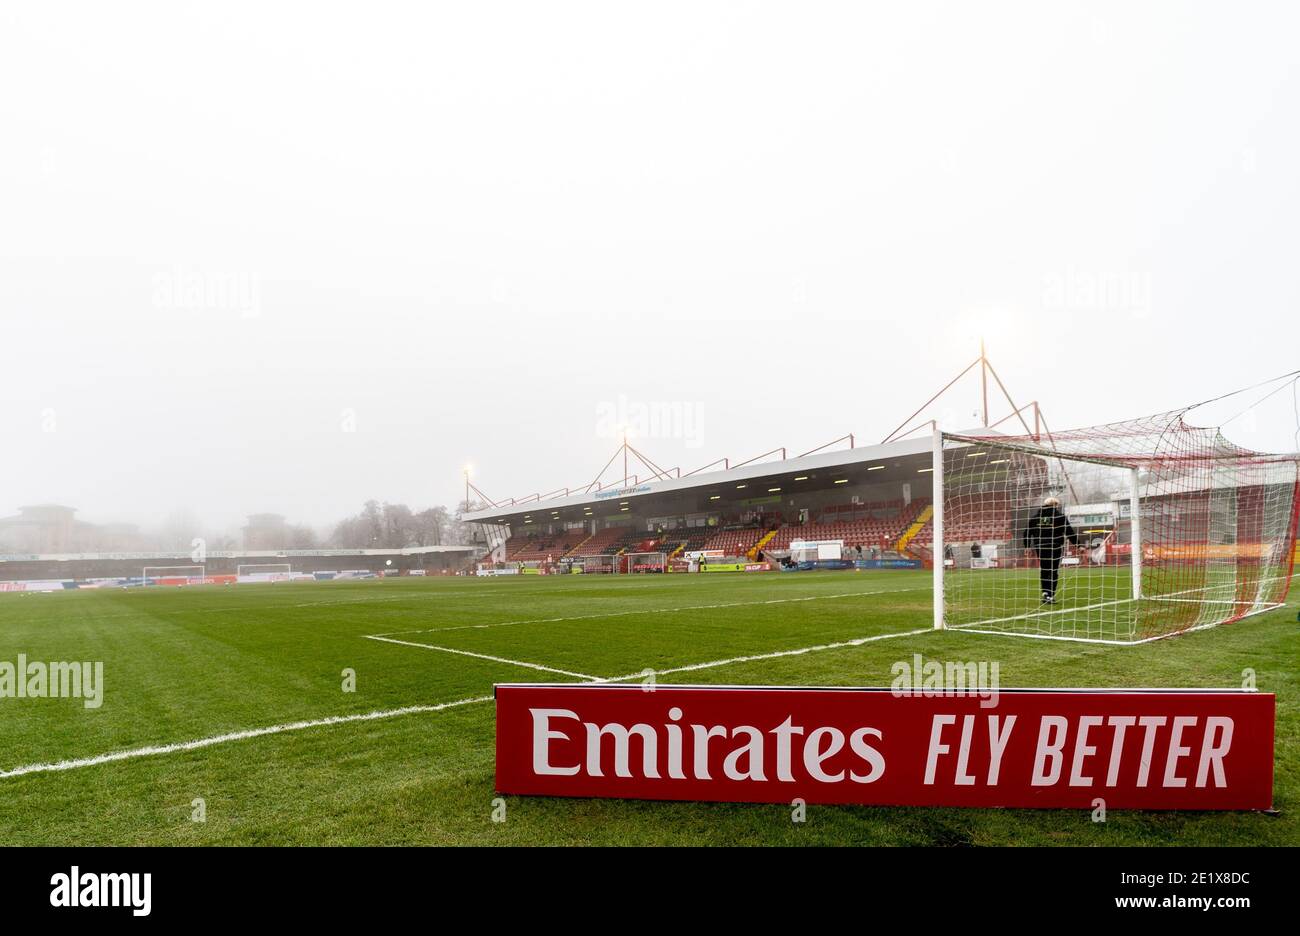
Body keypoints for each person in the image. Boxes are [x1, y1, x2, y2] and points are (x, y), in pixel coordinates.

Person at [1022, 496, 1085, 604]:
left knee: (1044, 569)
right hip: (1055, 546)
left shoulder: (1035, 518)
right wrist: (1079, 545)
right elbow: (1069, 532)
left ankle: (1045, 593)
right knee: (1053, 570)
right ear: (1055, 505)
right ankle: (1050, 594)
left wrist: (1027, 546)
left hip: (1040, 547)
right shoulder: (1060, 517)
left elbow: (1027, 533)